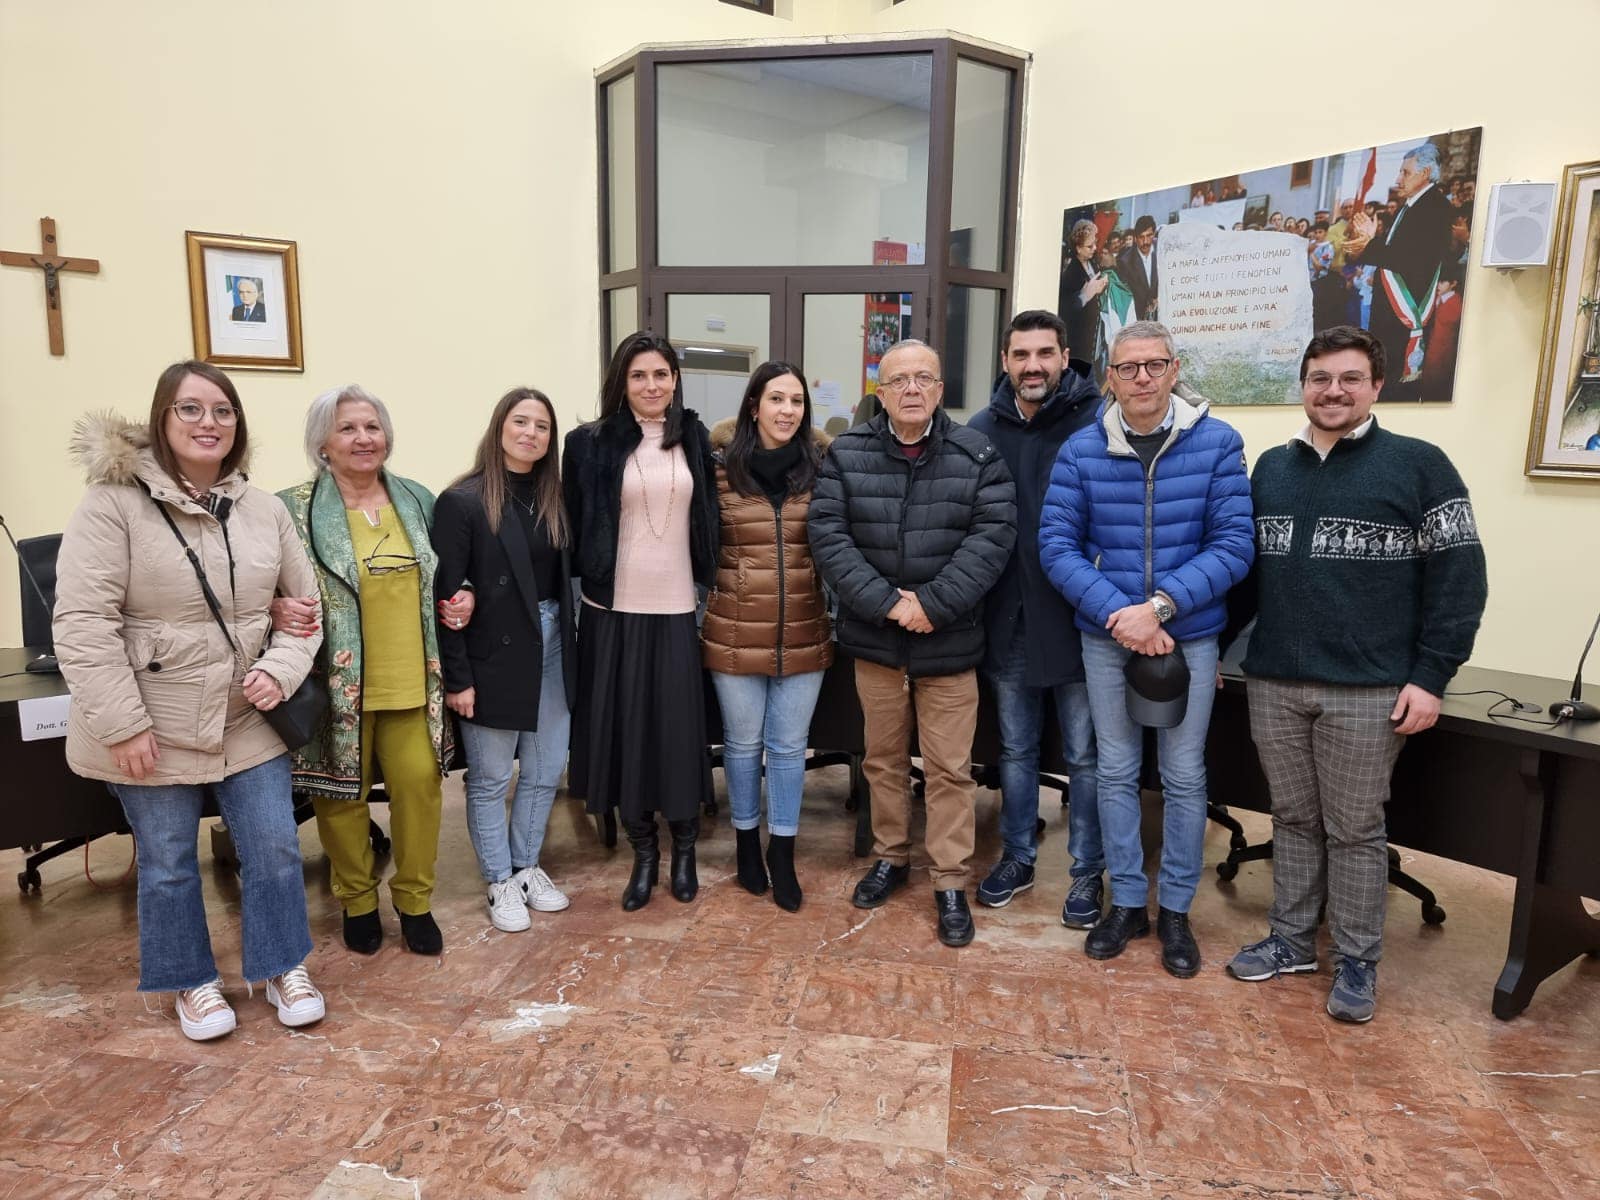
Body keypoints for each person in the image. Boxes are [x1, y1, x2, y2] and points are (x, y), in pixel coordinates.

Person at [53, 361, 326, 1041]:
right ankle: (191, 981)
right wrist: (122, 724)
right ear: (161, 420)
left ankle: (281, 964)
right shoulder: (112, 506)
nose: (210, 423)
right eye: (191, 409)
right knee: (170, 863)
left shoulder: (265, 510)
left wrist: (281, 670)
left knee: (273, 847)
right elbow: (84, 623)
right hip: (152, 722)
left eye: (223, 411)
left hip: (246, 716)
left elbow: (307, 610)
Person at [1225, 325, 1487, 1023]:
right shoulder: (1271, 470)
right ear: (1303, 386)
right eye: (1319, 378)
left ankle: (1358, 960)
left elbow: (1460, 581)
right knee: (1292, 819)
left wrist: (1432, 675)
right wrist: (1216, 649)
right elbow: (1248, 581)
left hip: (1369, 690)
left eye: (1348, 379)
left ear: (1376, 386)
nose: (1332, 391)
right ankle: (1290, 941)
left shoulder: (1419, 465)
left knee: (1354, 829)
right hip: (1276, 681)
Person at [1039, 320, 1254, 977]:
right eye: (1128, 367)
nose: (1141, 378)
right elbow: (1057, 546)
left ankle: (1178, 912)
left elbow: (1235, 545)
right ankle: (1128, 901)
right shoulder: (1081, 451)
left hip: (1187, 636)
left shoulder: (1218, 443)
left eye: (1154, 366)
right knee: (1115, 771)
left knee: (1186, 776)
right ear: (1109, 376)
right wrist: (1120, 614)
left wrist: (1160, 608)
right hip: (1107, 638)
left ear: (1173, 369)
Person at [809, 339, 1016, 947]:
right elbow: (829, 537)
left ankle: (950, 880)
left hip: (949, 644)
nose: (911, 390)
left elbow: (992, 538)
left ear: (940, 389)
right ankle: (891, 857)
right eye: (899, 380)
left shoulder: (978, 455)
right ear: (880, 389)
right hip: (876, 643)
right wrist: (889, 604)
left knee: (951, 770)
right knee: (883, 761)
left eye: (924, 378)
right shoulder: (846, 455)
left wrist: (932, 604)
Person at [277, 385, 458, 957]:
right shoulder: (292, 508)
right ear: (322, 444)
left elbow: (452, 571)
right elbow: (262, 585)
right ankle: (356, 901)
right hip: (335, 686)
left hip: (412, 680)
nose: (363, 439)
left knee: (419, 790)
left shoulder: (418, 498)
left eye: (372, 427)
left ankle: (414, 900)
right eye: (348, 429)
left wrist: (464, 595)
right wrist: (276, 605)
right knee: (340, 800)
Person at [563, 332, 719, 911]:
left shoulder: (695, 439)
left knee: (678, 736)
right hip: (614, 612)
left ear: (675, 379)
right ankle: (643, 854)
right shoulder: (589, 444)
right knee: (626, 736)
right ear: (621, 383)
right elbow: (574, 526)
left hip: (678, 608)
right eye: (638, 376)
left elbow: (710, 519)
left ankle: (684, 851)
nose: (651, 386)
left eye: (660, 374)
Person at [966, 311, 1107, 927]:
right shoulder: (980, 430)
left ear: (1065, 356)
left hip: (1083, 618)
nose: (1032, 366)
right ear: (1004, 361)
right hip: (1008, 618)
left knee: (1085, 756)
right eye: (1020, 355)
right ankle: (1018, 857)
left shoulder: (1101, 423)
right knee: (1016, 750)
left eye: (1044, 354)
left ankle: (1086, 873)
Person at [431, 387, 576, 932]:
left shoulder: (555, 497)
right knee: (492, 777)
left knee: (543, 770)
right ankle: (498, 880)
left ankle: (525, 866)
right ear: (499, 428)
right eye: (521, 422)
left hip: (553, 643)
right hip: (492, 651)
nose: (531, 434)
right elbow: (445, 599)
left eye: (542, 426)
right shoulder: (463, 501)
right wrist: (458, 679)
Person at [703, 362, 833, 912]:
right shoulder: (717, 473)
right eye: (775, 398)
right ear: (753, 405)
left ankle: (781, 849)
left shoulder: (823, 471)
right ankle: (744, 845)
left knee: (786, 749)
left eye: (796, 401)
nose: (786, 410)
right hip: (733, 631)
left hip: (804, 630)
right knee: (742, 744)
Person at [1346, 142, 1454, 398]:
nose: (1398, 179)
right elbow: (1397, 250)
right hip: (1390, 315)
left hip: (1404, 314)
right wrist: (1372, 240)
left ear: (1425, 173)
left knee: (1396, 389)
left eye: (1405, 172)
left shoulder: (1435, 208)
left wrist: (1369, 245)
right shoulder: (1411, 206)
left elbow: (1409, 259)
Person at [1061, 219, 1111, 376]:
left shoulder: (1092, 264)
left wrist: (1101, 287)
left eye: (1095, 244)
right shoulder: (1071, 274)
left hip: (1093, 340)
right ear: (1078, 248)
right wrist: (1086, 294)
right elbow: (1065, 309)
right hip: (1079, 345)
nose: (1095, 249)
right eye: (1090, 246)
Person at [1118, 216, 1160, 320]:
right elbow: (1126, 297)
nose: (1145, 241)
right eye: (1141, 237)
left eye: (1149, 236)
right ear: (1135, 239)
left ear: (1154, 234)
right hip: (1139, 318)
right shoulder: (1125, 262)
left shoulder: (1163, 250)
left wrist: (1159, 299)